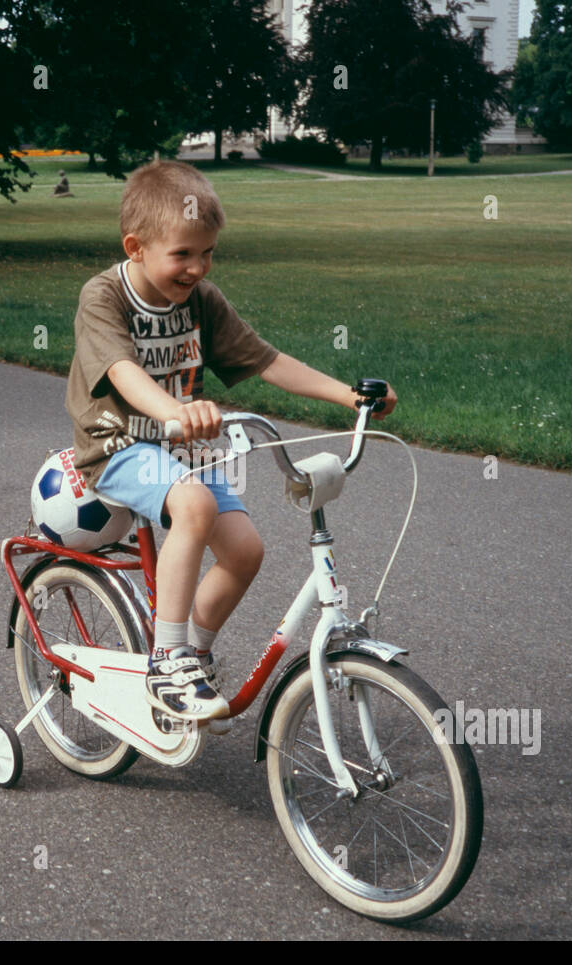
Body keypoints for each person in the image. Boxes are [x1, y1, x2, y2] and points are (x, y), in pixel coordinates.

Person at [64, 160, 397, 720]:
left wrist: (349, 396)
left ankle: (193, 650)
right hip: (118, 444)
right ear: (136, 246)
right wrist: (175, 410)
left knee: (245, 552)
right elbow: (122, 372)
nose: (198, 267)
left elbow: (266, 361)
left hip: (181, 452)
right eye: (183, 254)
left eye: (208, 253)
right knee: (192, 504)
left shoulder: (201, 302)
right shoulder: (104, 297)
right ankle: (167, 663)